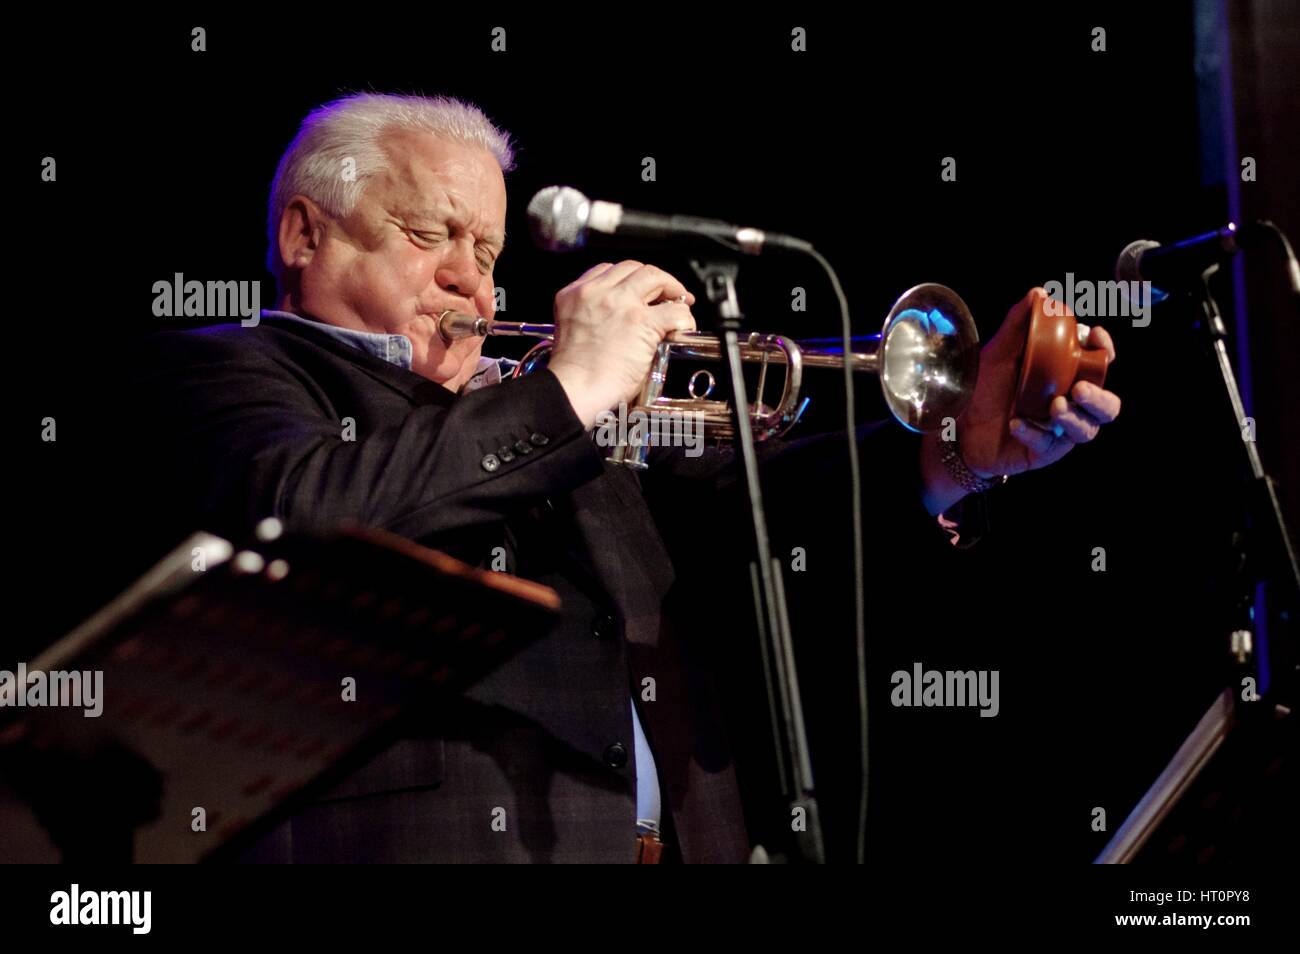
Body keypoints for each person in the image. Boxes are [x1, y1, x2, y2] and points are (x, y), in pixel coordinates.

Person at [126, 93, 1120, 863]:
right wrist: (567, 392)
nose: (472, 281)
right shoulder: (232, 369)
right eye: (433, 235)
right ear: (307, 234)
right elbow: (306, 517)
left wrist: (952, 455)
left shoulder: (532, 400)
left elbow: (761, 517)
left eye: (488, 249)